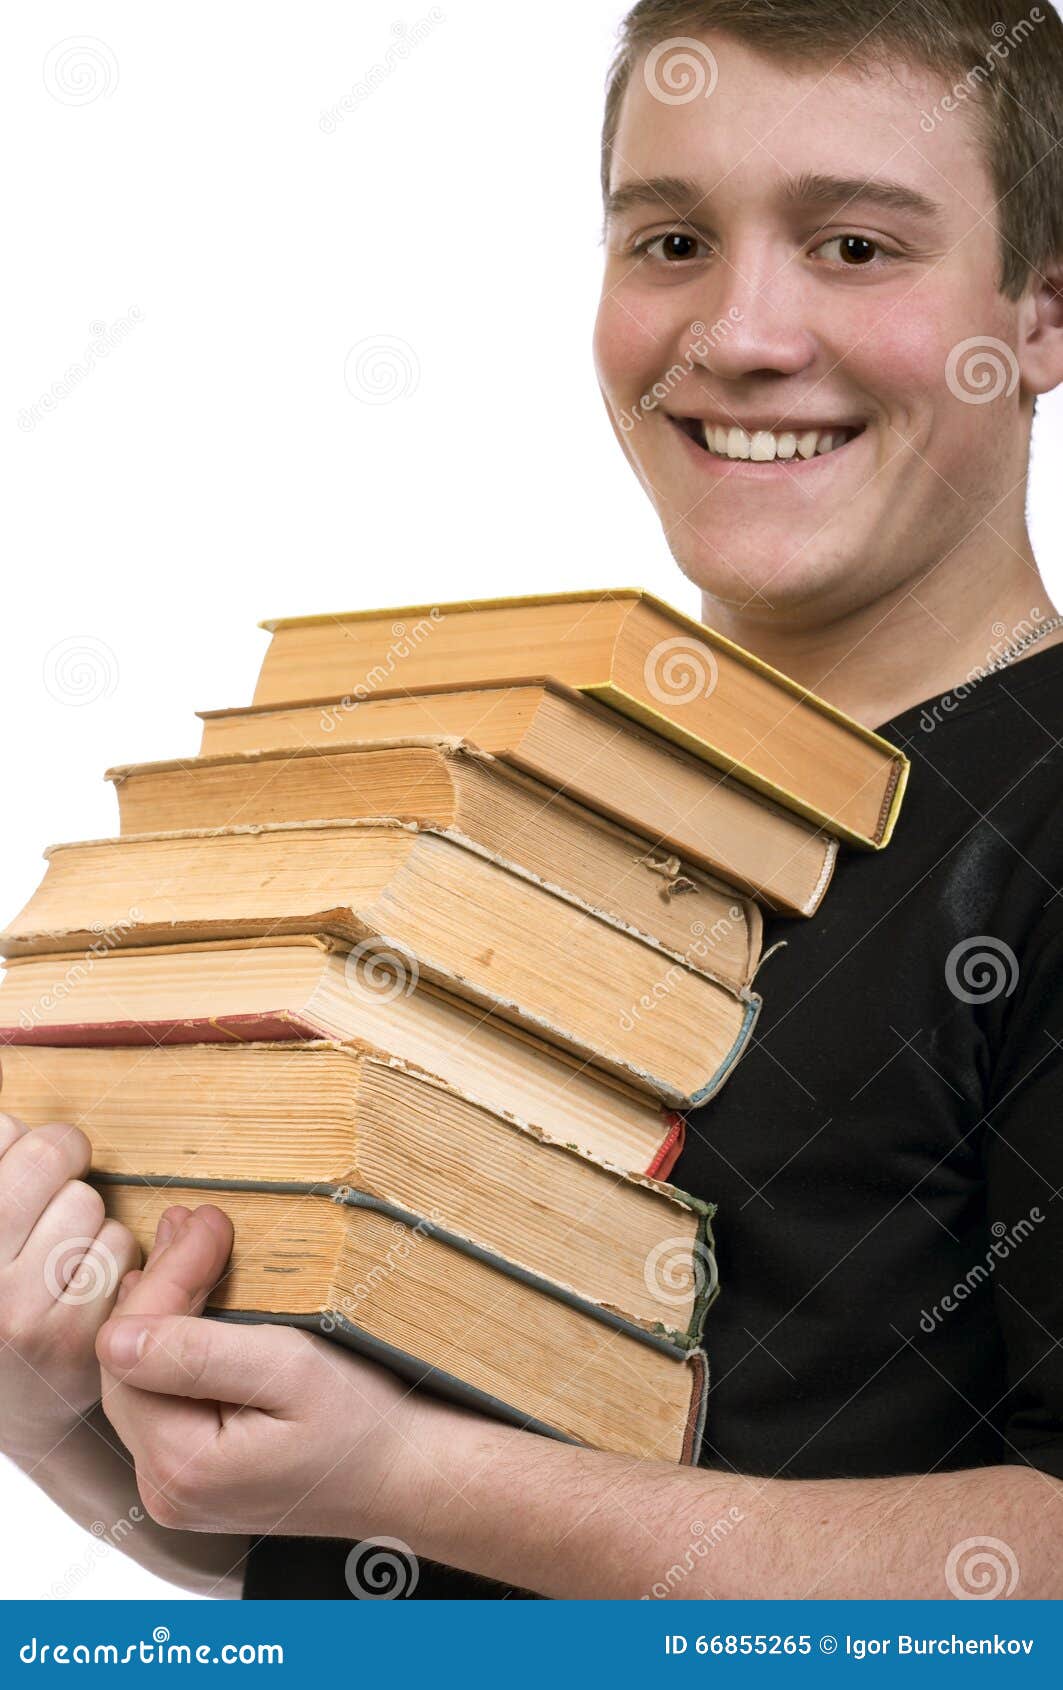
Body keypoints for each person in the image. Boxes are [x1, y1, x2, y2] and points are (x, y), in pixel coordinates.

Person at [3, 0, 1062, 1600]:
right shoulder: (521, 808)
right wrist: (72, 1427)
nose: (743, 333)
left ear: (1046, 310)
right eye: (671, 240)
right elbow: (359, 1566)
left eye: (854, 247)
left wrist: (413, 1473)